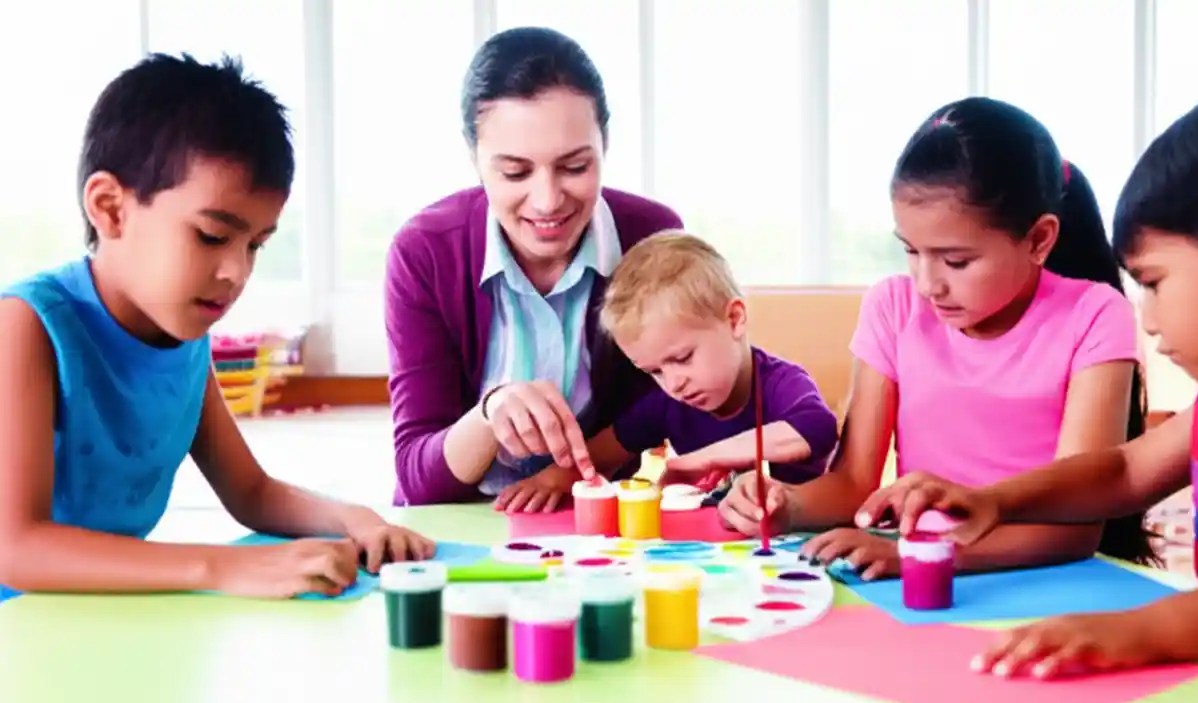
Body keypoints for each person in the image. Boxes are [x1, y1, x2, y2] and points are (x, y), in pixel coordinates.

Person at [854, 90, 1198, 703]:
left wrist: (1137, 632)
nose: (1150, 322)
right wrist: (995, 500)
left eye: (1156, 284)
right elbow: (1124, 471)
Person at [0, 53, 433, 601]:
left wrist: (354, 519)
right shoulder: (26, 325)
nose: (237, 273)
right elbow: (16, 549)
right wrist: (222, 568)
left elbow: (249, 491)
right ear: (110, 209)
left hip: (97, 619)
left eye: (255, 245)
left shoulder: (182, 337)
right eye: (210, 236)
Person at [717, 96, 1154, 578]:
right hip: (919, 570)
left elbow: (1075, 527)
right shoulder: (893, 307)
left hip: (1039, 576)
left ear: (1038, 240)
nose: (928, 284)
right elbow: (854, 482)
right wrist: (785, 503)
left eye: (956, 261)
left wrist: (924, 558)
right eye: (910, 251)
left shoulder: (1095, 314)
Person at [385, 27, 682, 508]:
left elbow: (668, 407)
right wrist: (490, 414)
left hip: (594, 518)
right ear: (474, 158)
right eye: (515, 173)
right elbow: (420, 481)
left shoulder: (652, 239)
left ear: (604, 142)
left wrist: (567, 475)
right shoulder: (424, 253)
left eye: (575, 167)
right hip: (460, 519)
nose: (547, 201)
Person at [494, 231, 838, 512]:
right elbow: (600, 453)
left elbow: (817, 428)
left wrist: (696, 461)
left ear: (734, 319)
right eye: (654, 371)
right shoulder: (668, 403)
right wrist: (550, 480)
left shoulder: (781, 382)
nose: (674, 383)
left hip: (795, 534)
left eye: (683, 357)